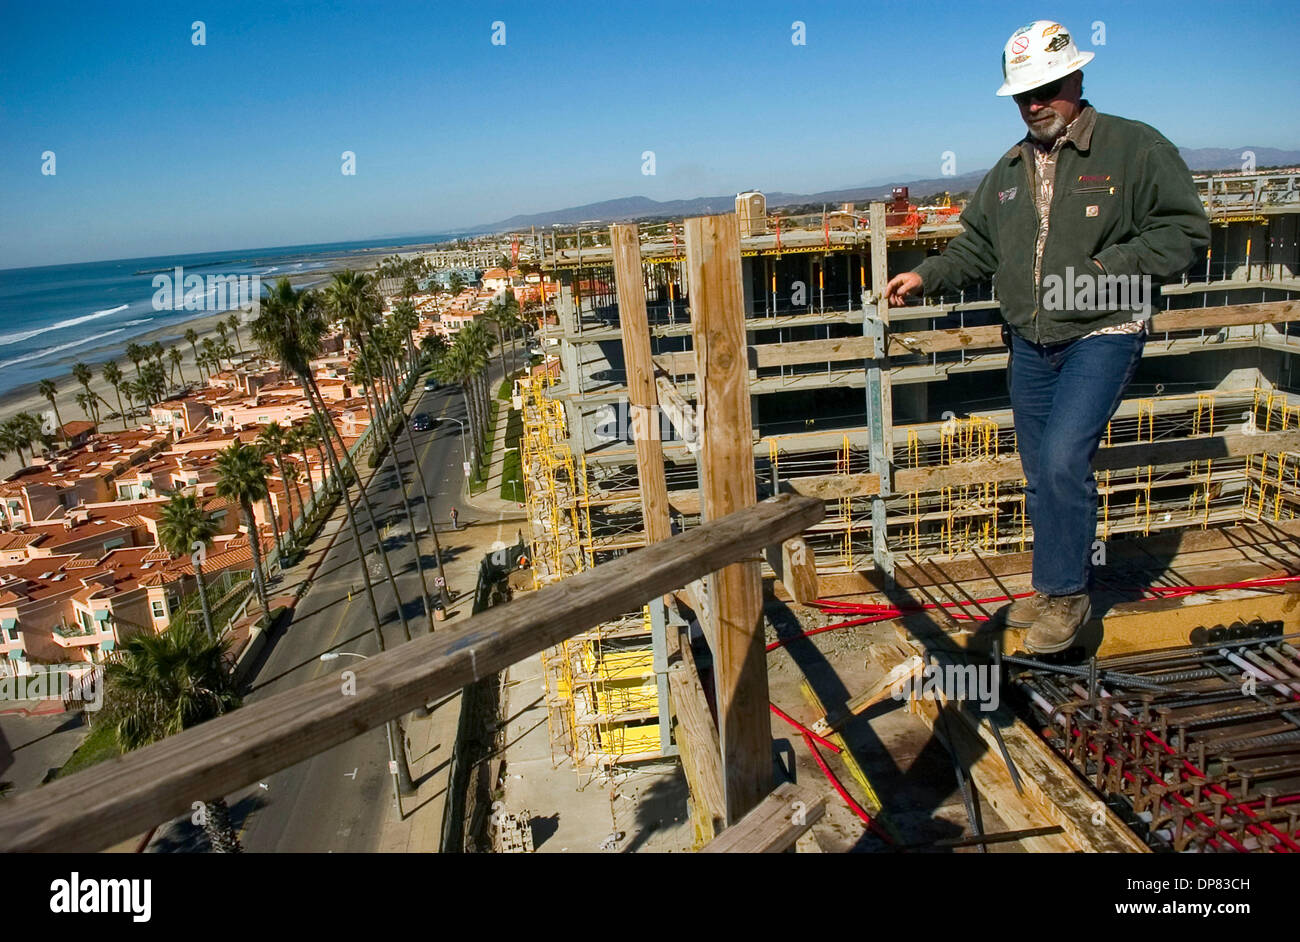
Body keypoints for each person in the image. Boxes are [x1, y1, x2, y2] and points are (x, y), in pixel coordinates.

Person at [885, 20, 1209, 653]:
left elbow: (1183, 232)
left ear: (1077, 78)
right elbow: (977, 245)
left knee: (1063, 458)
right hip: (1030, 338)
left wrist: (1104, 270)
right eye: (1023, 95)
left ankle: (1066, 595)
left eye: (1047, 89)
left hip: (1103, 326)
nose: (1035, 104)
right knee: (1041, 470)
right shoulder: (1008, 170)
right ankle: (1053, 582)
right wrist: (926, 274)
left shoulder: (1133, 148)